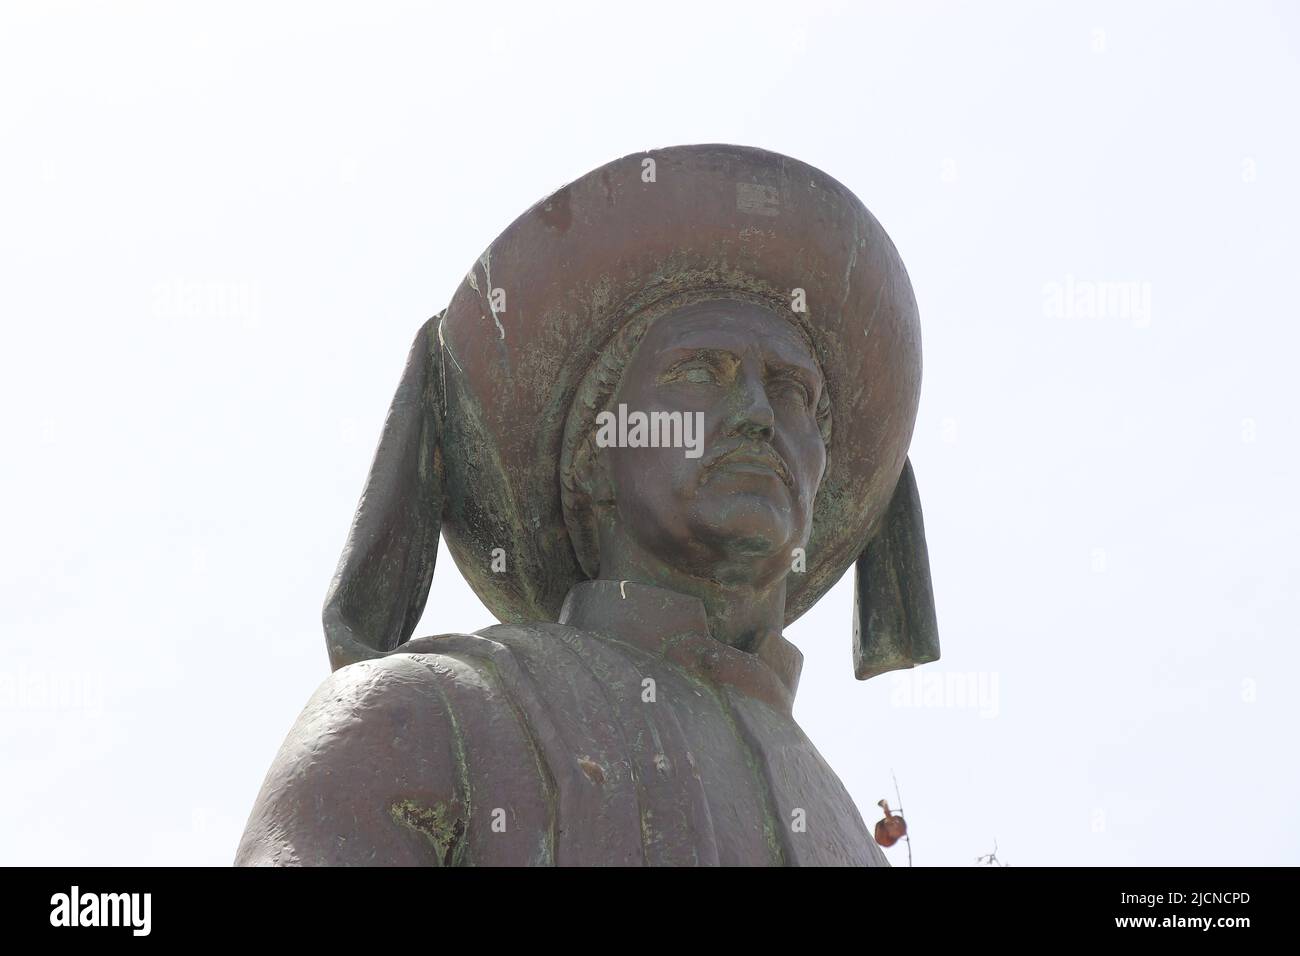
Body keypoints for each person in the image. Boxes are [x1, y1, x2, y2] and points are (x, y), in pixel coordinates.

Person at [236, 144, 940, 866]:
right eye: (703, 370)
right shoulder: (419, 716)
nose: (760, 413)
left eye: (794, 390)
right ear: (593, 460)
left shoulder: (850, 834)